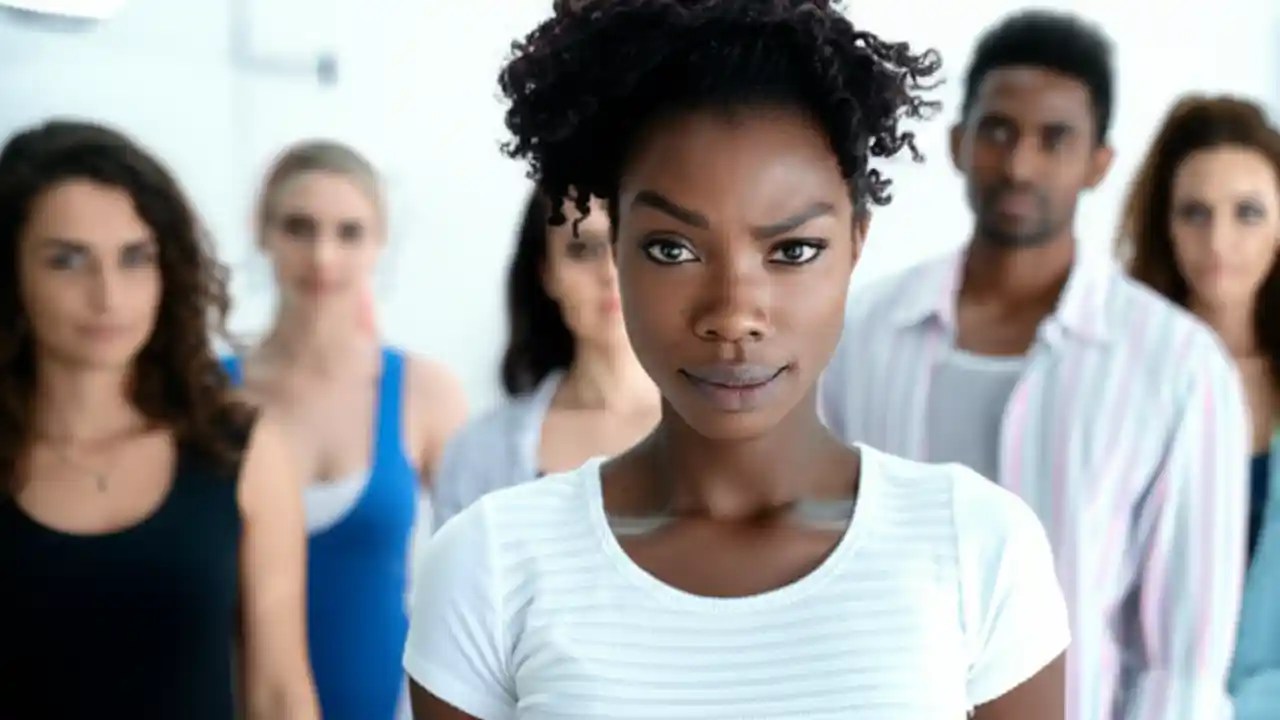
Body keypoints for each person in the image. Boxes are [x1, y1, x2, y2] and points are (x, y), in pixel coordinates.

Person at [404, 1, 1069, 718]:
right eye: (673, 249)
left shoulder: (977, 548)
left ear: (856, 245)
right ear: (616, 248)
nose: (732, 314)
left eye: (792, 251)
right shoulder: (490, 566)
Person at [818, 10, 1250, 720]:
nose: (1019, 164)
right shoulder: (859, 332)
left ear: (1099, 162)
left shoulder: (1177, 368)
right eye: (998, 131)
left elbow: (1182, 663)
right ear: (958, 144)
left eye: (1054, 139)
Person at [0, 120, 318, 718]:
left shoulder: (239, 450)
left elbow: (279, 693)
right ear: (13, 274)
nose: (107, 294)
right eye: (67, 261)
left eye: (134, 258)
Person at [221, 140, 467, 720]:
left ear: (379, 243)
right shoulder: (206, 395)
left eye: (349, 233)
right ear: (263, 232)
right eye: (299, 228)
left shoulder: (425, 394)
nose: (323, 257)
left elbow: (486, 590)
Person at [1118, 95, 1280, 719]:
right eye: (1195, 212)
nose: (1219, 240)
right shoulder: (1121, 380)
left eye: (1247, 212)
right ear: (1164, 223)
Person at [430, 188, 659, 528]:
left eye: (633, 243)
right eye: (582, 249)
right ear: (547, 273)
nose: (611, 271)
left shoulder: (727, 432)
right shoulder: (479, 453)